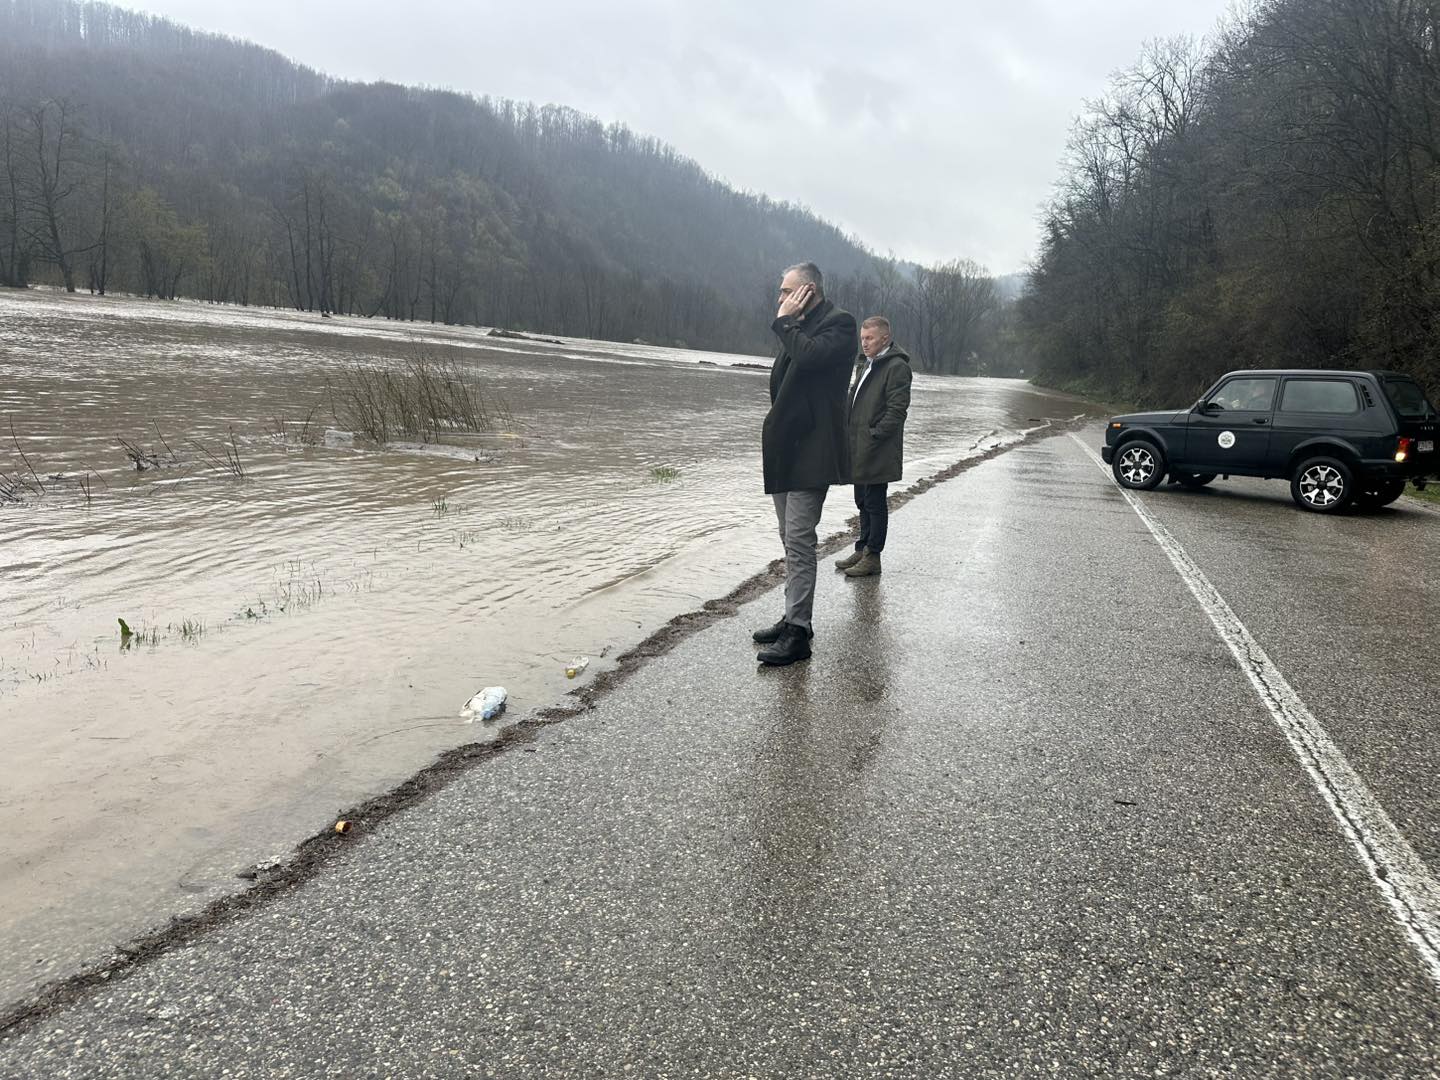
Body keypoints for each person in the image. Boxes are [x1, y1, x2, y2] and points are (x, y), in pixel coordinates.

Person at [752, 262, 858, 666]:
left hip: (812, 449)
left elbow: (810, 359)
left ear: (807, 290)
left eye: (785, 291)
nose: (780, 298)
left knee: (799, 539)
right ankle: (794, 617)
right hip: (786, 447)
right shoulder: (799, 327)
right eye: (781, 293)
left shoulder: (840, 324)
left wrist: (784, 323)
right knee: (787, 536)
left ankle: (798, 634)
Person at [835, 316, 912, 578]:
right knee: (861, 501)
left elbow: (897, 410)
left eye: (869, 338)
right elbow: (854, 400)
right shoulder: (866, 363)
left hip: (877, 449)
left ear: (884, 338)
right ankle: (862, 547)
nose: (864, 343)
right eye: (862, 338)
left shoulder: (896, 367)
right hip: (858, 445)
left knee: (875, 502)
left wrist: (874, 435)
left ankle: (873, 557)